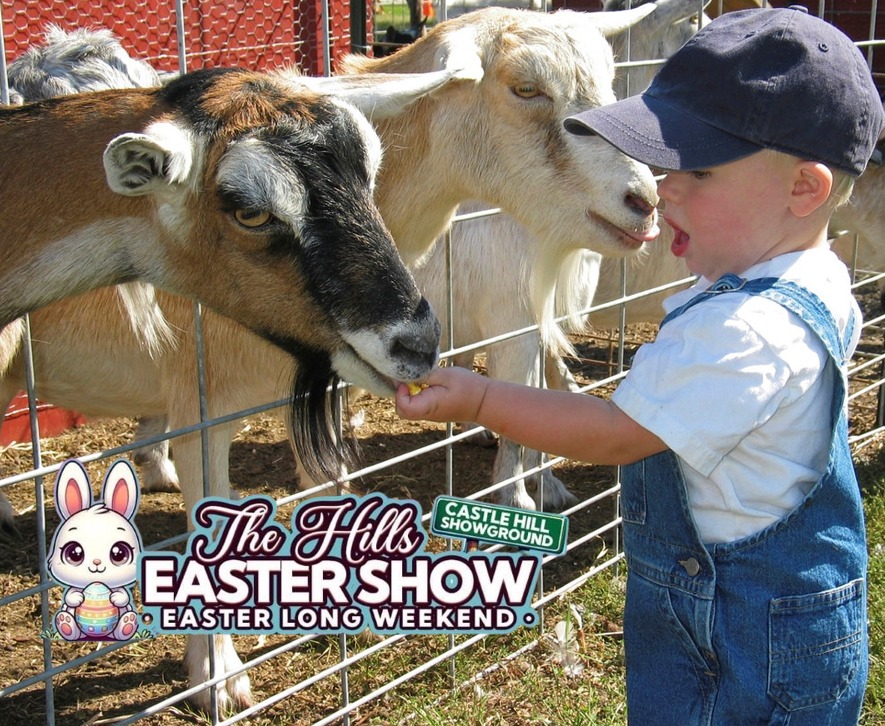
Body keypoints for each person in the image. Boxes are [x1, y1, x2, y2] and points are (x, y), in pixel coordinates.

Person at [395, 6, 884, 724]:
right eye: (665, 164)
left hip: (739, 643)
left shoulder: (742, 331)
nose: (663, 188)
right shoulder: (813, 277)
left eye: (697, 171)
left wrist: (479, 399)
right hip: (785, 622)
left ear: (802, 190)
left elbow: (615, 435)